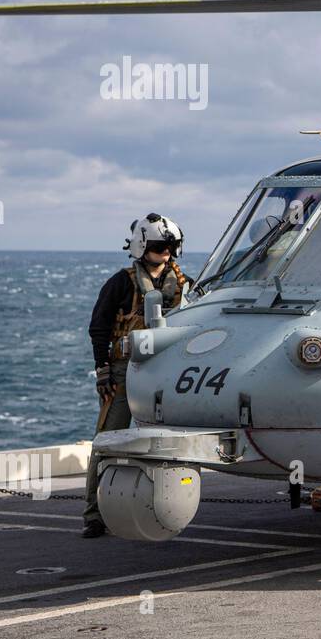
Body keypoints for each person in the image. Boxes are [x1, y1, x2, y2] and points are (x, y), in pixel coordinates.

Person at [82, 214, 190, 538]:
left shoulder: (183, 285)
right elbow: (99, 329)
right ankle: (93, 514)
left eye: (171, 246)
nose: (166, 252)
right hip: (124, 371)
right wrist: (103, 373)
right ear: (143, 247)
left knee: (170, 443)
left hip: (166, 370)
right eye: (160, 246)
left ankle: (164, 508)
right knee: (108, 439)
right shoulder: (121, 283)